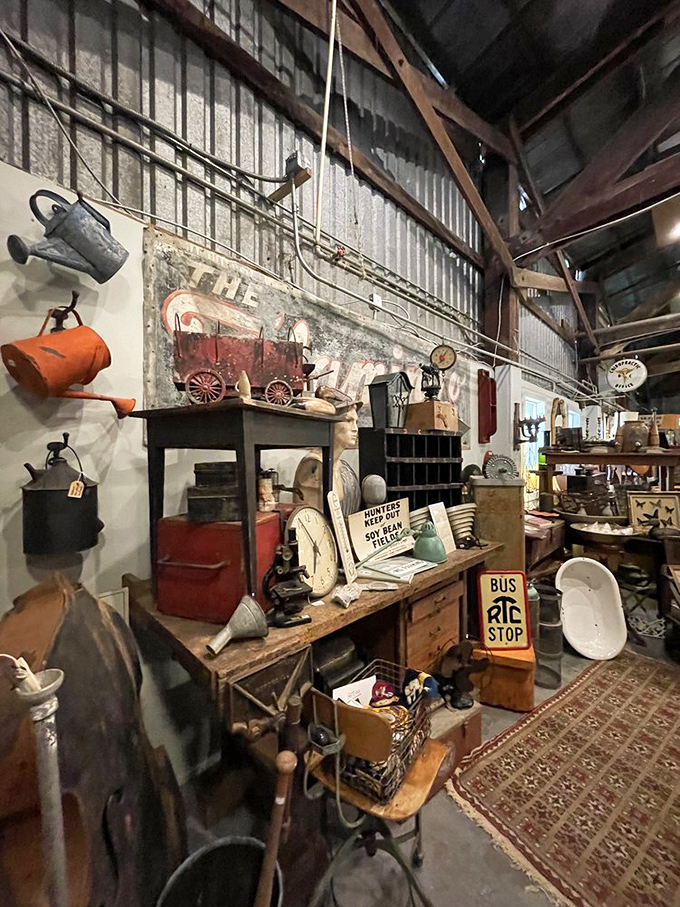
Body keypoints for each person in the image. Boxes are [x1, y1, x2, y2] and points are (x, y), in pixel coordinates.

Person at [293, 403, 361, 516]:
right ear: (329, 423)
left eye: (356, 422)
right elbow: (314, 518)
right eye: (348, 421)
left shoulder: (338, 464)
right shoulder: (313, 464)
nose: (355, 429)